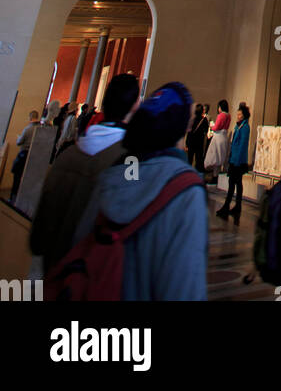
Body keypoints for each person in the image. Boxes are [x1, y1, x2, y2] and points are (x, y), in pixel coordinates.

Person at [72, 81, 208, 301]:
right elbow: (185, 287)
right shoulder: (185, 189)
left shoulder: (115, 173)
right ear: (181, 126)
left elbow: (80, 244)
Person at [30, 73, 139, 275]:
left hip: (53, 266)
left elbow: (39, 233)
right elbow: (129, 214)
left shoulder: (67, 155)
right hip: (93, 273)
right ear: (134, 105)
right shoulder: (130, 159)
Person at [217, 104, 251, 224]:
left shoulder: (245, 127)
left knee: (234, 183)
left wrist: (236, 161)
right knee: (236, 183)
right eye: (237, 114)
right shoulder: (240, 126)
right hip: (235, 159)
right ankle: (236, 206)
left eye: (240, 114)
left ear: (244, 115)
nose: (238, 116)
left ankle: (229, 206)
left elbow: (242, 145)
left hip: (238, 161)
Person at [9, 110, 40, 204]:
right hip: (34, 155)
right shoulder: (40, 128)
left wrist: (18, 137)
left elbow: (19, 142)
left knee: (17, 177)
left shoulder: (28, 129)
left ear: (30, 117)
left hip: (23, 154)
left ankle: (13, 198)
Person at [204, 98, 231, 185]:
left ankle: (214, 177)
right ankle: (216, 177)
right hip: (224, 137)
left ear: (220, 107)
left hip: (218, 137)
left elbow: (216, 127)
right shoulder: (228, 116)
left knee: (214, 157)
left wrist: (212, 126)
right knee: (219, 158)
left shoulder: (221, 115)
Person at [186, 102, 209, 173]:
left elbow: (189, 132)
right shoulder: (204, 120)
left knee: (189, 159)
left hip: (191, 142)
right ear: (202, 111)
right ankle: (197, 175)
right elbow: (206, 130)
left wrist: (187, 143)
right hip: (199, 142)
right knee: (198, 160)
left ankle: (188, 173)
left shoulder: (191, 119)